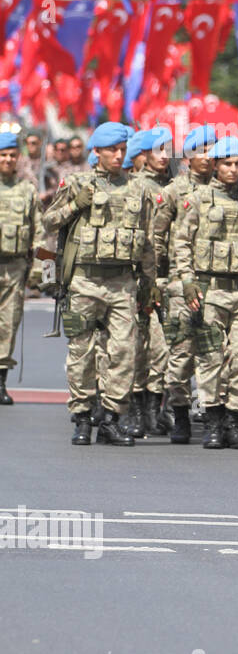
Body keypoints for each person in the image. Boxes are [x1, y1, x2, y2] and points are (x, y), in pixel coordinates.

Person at [42, 122, 157, 446]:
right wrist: (75, 203)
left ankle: (110, 418)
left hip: (122, 282)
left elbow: (146, 242)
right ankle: (81, 417)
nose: (119, 156)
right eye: (112, 151)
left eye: (123, 150)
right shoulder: (78, 183)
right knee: (82, 352)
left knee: (124, 352)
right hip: (84, 281)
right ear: (97, 153)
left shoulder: (139, 189)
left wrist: (148, 283)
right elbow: (50, 221)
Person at [171, 137, 238, 449]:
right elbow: (181, 242)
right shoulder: (199, 198)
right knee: (210, 357)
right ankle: (212, 419)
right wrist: (188, 282)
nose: (232, 169)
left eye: (237, 164)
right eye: (226, 164)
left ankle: (234, 420)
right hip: (210, 290)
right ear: (215, 165)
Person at [156, 124, 218, 443]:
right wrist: (155, 281)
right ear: (188, 158)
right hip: (181, 285)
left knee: (213, 353)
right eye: (201, 151)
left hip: (216, 283)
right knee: (181, 352)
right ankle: (179, 413)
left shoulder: (229, 190)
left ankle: (208, 415)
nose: (208, 157)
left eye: (212, 150)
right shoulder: (173, 191)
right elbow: (157, 236)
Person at [125, 127, 172, 436]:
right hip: (136, 276)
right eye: (158, 150)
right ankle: (136, 407)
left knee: (162, 346)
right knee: (137, 345)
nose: (165, 157)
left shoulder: (174, 187)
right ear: (143, 155)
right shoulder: (135, 187)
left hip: (167, 275)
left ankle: (153, 407)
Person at [0, 131, 39, 405]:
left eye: (12, 155)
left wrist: (42, 273)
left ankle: (0, 380)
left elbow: (42, 234)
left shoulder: (28, 190)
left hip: (14, 268)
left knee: (8, 324)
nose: (8, 159)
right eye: (3, 155)